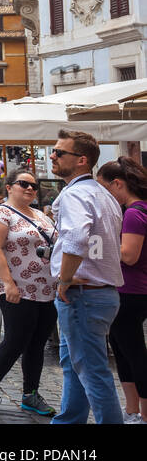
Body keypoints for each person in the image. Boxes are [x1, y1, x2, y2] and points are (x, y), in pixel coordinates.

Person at [48, 128, 124, 424]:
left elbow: (77, 237)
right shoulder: (101, 194)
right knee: (74, 365)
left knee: (93, 371)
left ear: (81, 160)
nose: (52, 156)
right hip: (99, 293)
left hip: (83, 294)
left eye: (59, 152)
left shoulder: (76, 193)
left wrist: (65, 279)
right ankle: (69, 421)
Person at [0, 169, 59, 415]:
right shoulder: (0, 213)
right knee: (16, 339)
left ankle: (30, 394)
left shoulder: (42, 216)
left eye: (34, 186)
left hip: (46, 288)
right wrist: (8, 283)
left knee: (37, 342)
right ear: (9, 187)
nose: (30, 189)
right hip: (17, 287)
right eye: (24, 184)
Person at [97, 157, 147, 423]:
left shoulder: (134, 212)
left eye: (104, 189)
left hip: (131, 291)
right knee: (123, 350)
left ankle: (143, 414)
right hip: (131, 289)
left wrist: (97, 248)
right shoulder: (137, 210)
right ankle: (132, 411)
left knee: (135, 353)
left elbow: (128, 254)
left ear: (117, 184)